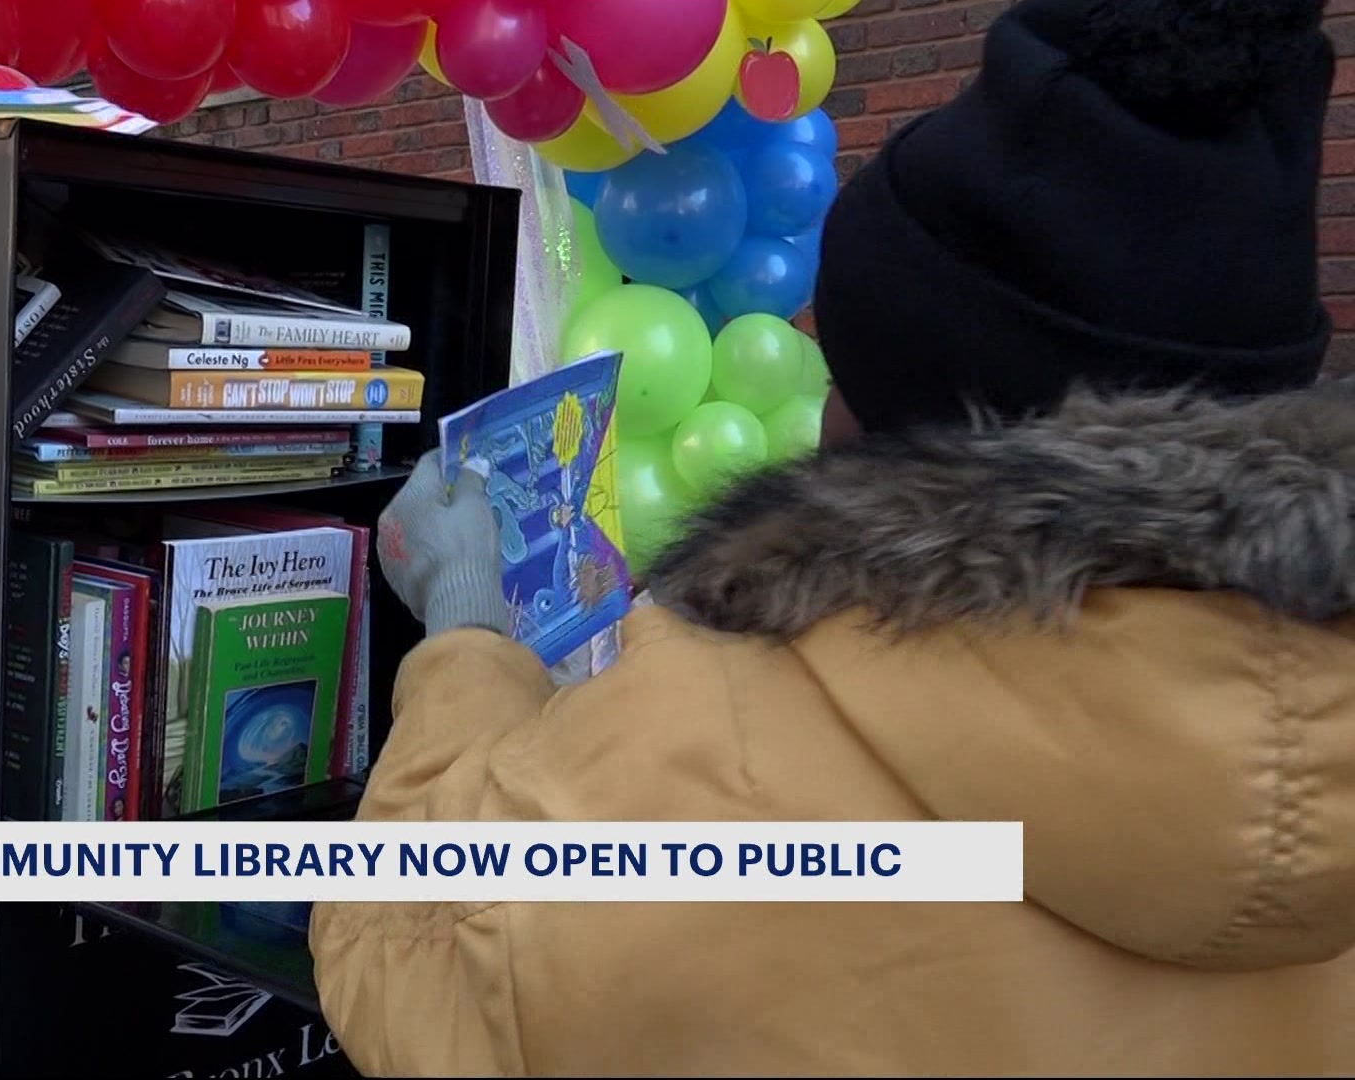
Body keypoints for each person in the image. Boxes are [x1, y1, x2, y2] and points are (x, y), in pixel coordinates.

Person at [306, 0, 1355, 1074]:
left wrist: (463, 637)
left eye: (842, 365)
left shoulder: (702, 772)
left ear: (901, 409)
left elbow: (419, 970)